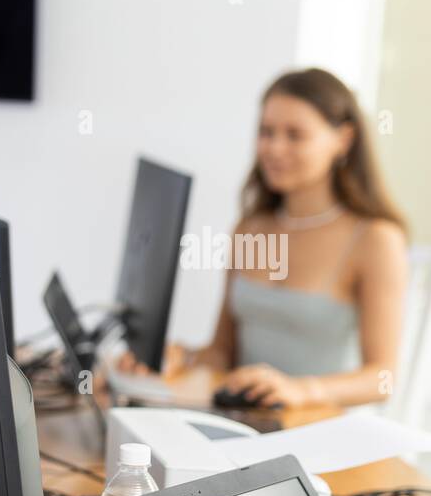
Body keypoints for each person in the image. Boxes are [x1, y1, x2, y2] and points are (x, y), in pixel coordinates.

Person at [130, 68, 408, 408]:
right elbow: (222, 351)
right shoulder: (250, 228)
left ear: (343, 140)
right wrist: (178, 357)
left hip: (317, 427)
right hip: (245, 420)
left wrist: (302, 390)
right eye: (266, 132)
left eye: (295, 135)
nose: (274, 148)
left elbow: (382, 378)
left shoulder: (376, 239)